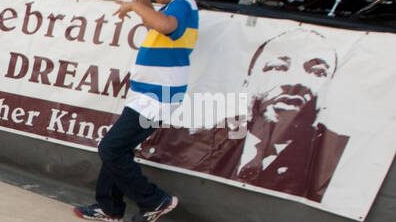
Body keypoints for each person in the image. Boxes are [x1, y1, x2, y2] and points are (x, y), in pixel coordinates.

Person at [143, 29, 347, 203]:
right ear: (248, 83)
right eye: (277, 67)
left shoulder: (334, 163)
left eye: (317, 72)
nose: (295, 82)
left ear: (330, 89)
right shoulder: (200, 136)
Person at [73, 0, 197, 222]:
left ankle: (154, 200)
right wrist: (144, 1)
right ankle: (110, 207)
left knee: (111, 148)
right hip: (148, 94)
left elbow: (165, 25)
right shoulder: (175, 6)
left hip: (157, 95)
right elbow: (158, 23)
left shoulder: (184, 4)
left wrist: (134, 5)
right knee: (117, 148)